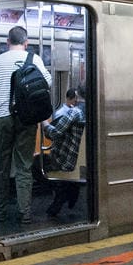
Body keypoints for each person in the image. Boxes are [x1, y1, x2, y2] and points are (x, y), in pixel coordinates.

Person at [0, 26, 51, 225]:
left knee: (1, 167)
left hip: (2, 117)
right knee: (24, 167)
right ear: (26, 43)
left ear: (8, 42)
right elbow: (47, 84)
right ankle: (24, 212)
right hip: (27, 120)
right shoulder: (34, 60)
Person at [41, 87, 86, 219]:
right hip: (81, 160)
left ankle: (63, 191)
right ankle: (70, 187)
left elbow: (55, 133)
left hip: (66, 160)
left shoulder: (74, 112)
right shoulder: (93, 111)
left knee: (36, 166)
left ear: (77, 96)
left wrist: (44, 123)